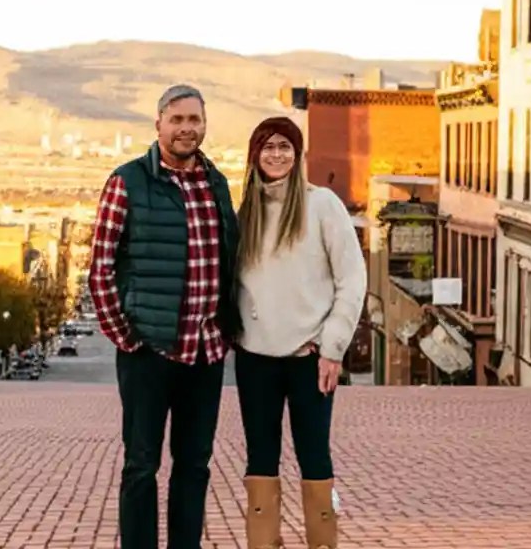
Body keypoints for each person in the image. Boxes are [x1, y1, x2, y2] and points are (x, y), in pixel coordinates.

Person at [87, 84, 241, 549]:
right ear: (159, 124)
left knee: (194, 465)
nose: (186, 129)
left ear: (204, 125)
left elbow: (231, 258)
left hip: (205, 352)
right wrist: (127, 338)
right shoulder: (128, 181)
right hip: (148, 352)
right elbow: (100, 268)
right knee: (141, 466)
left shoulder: (216, 183)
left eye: (194, 120)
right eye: (177, 120)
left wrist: (227, 327)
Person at [233, 116, 366, 549]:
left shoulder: (322, 205)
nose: (276, 154)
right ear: (255, 155)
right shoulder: (245, 213)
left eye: (285, 146)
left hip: (310, 359)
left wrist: (333, 348)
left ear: (298, 153)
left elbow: (352, 279)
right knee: (261, 464)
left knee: (315, 460)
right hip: (255, 359)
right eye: (268, 147)